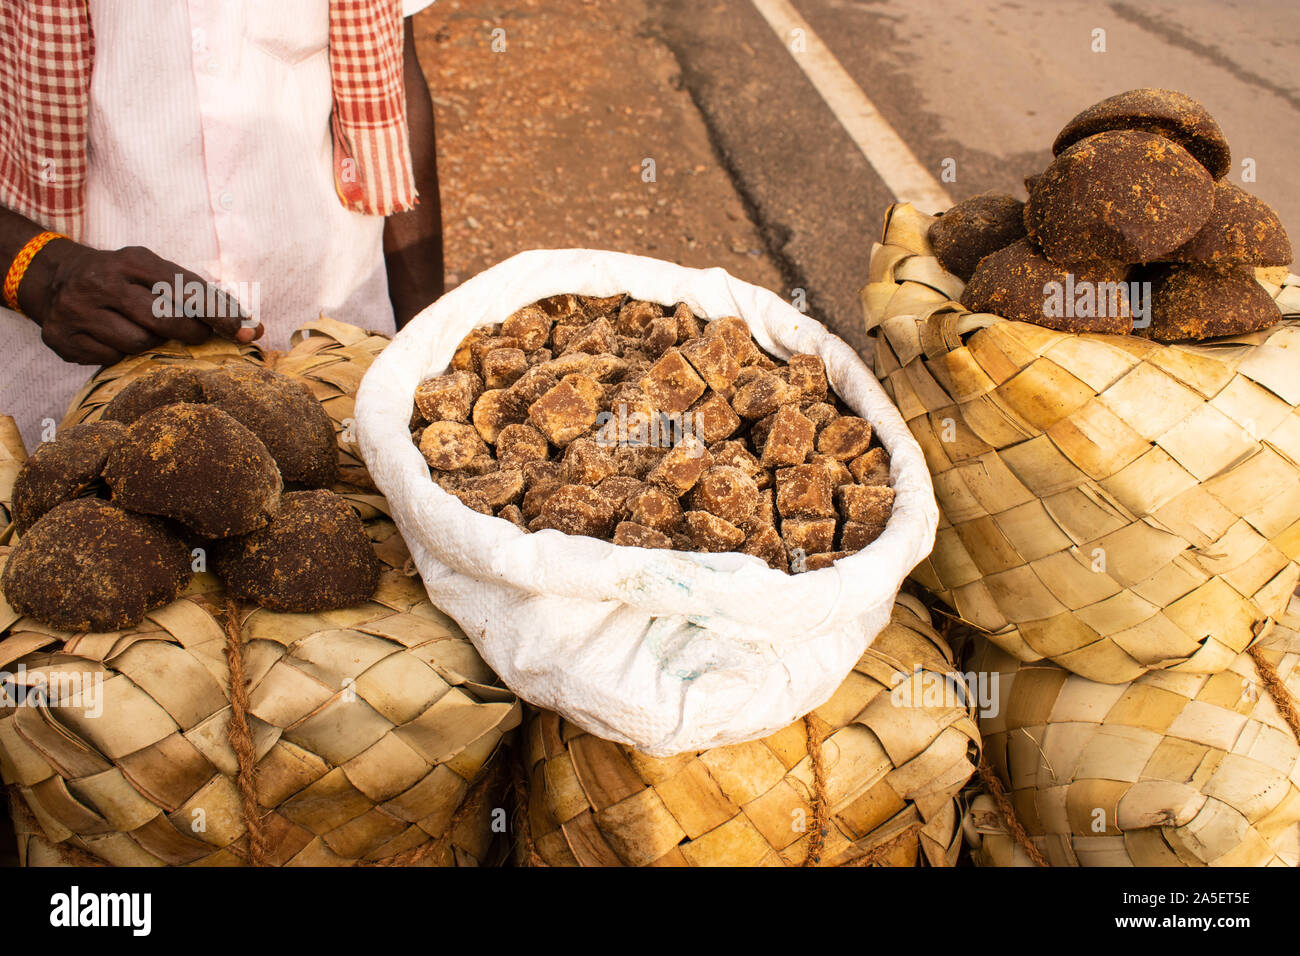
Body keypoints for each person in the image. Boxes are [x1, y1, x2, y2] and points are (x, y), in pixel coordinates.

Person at [0, 0, 444, 449]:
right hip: (85, 352)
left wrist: (429, 342)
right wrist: (41, 270)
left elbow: (392, 66)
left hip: (334, 339)